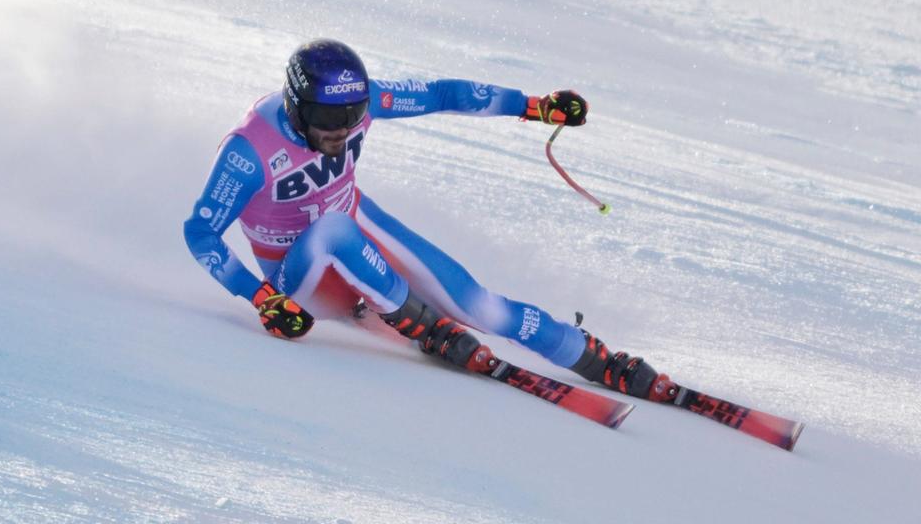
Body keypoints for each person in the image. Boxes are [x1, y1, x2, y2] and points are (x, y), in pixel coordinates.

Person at [183, 39, 672, 400]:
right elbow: (201, 232)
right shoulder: (248, 151)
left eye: (353, 115)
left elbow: (441, 94)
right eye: (328, 122)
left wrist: (532, 106)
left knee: (478, 304)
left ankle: (588, 355)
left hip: (355, 224)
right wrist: (261, 298)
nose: (342, 131)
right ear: (295, 106)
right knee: (335, 230)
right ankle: (424, 326)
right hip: (300, 275)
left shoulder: (356, 106)